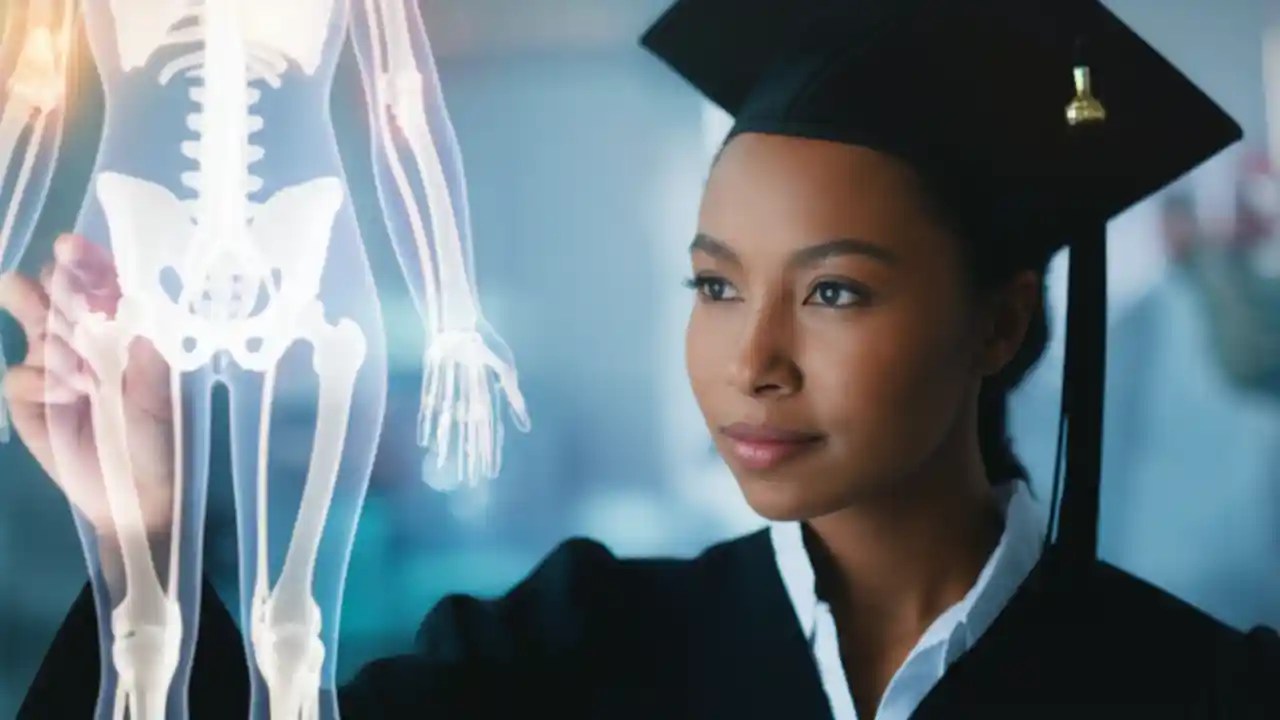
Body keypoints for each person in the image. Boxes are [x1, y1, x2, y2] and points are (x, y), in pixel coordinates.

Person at [7, 0, 1279, 717]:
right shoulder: (569, 658)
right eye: (714, 285)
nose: (751, 362)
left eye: (832, 289)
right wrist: (143, 531)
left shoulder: (1197, 693)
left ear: (995, 324)